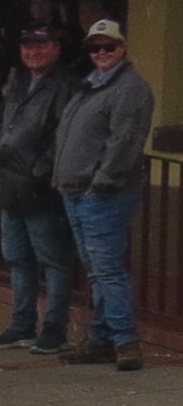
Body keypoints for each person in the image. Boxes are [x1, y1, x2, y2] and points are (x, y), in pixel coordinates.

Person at [53, 18, 156, 371]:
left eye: (107, 46)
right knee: (97, 270)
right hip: (77, 191)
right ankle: (101, 339)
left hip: (102, 194)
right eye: (94, 47)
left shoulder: (129, 88)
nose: (100, 53)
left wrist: (103, 181)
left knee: (107, 269)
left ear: (122, 49)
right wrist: (61, 178)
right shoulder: (90, 87)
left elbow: (125, 140)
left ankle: (125, 341)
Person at [0, 24, 77, 354]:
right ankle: (22, 324)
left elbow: (62, 138)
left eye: (41, 45)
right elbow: (5, 129)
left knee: (52, 260)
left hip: (40, 189)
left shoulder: (64, 85)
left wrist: (40, 171)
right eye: (27, 45)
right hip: (9, 185)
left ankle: (55, 327)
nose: (33, 51)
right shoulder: (19, 83)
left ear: (57, 48)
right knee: (18, 259)